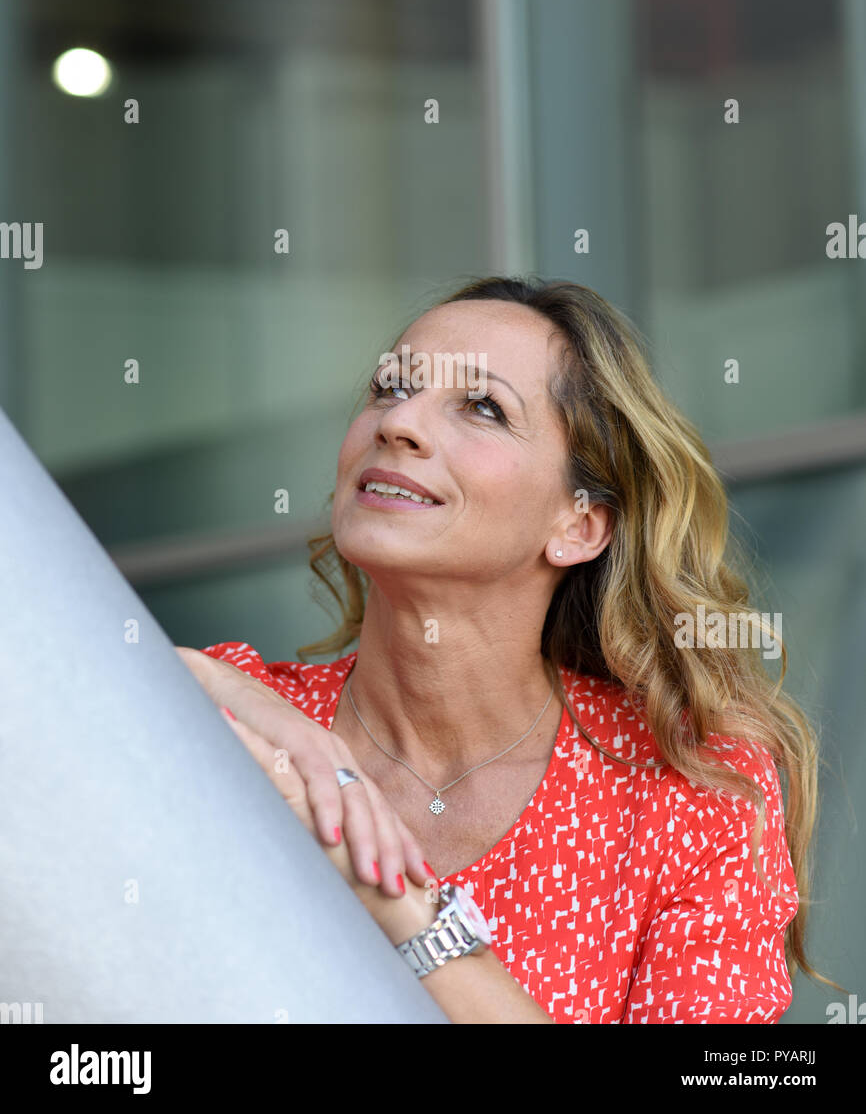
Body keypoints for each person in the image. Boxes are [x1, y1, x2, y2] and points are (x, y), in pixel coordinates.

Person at [178, 274, 831, 1024]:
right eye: (391, 387)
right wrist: (231, 697)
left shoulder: (685, 788)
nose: (400, 424)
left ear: (579, 525)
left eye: (482, 407)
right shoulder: (246, 723)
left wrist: (396, 900)